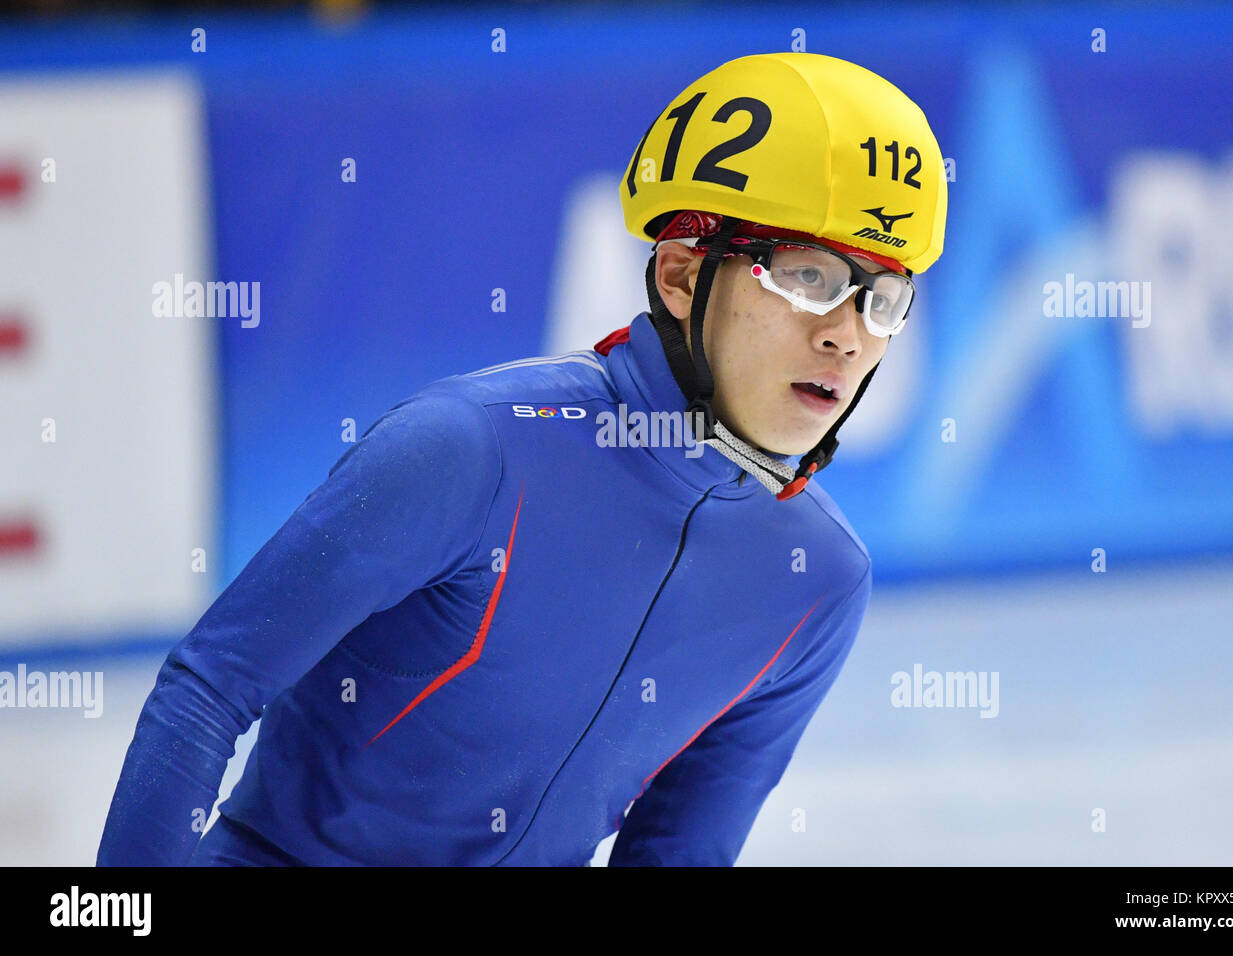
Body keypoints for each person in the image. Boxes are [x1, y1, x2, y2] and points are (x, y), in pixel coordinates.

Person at [96, 50, 946, 867]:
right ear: (683, 277)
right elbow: (209, 689)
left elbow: (680, 850)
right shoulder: (471, 450)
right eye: (808, 276)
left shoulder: (818, 579)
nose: (847, 332)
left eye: (883, 296)